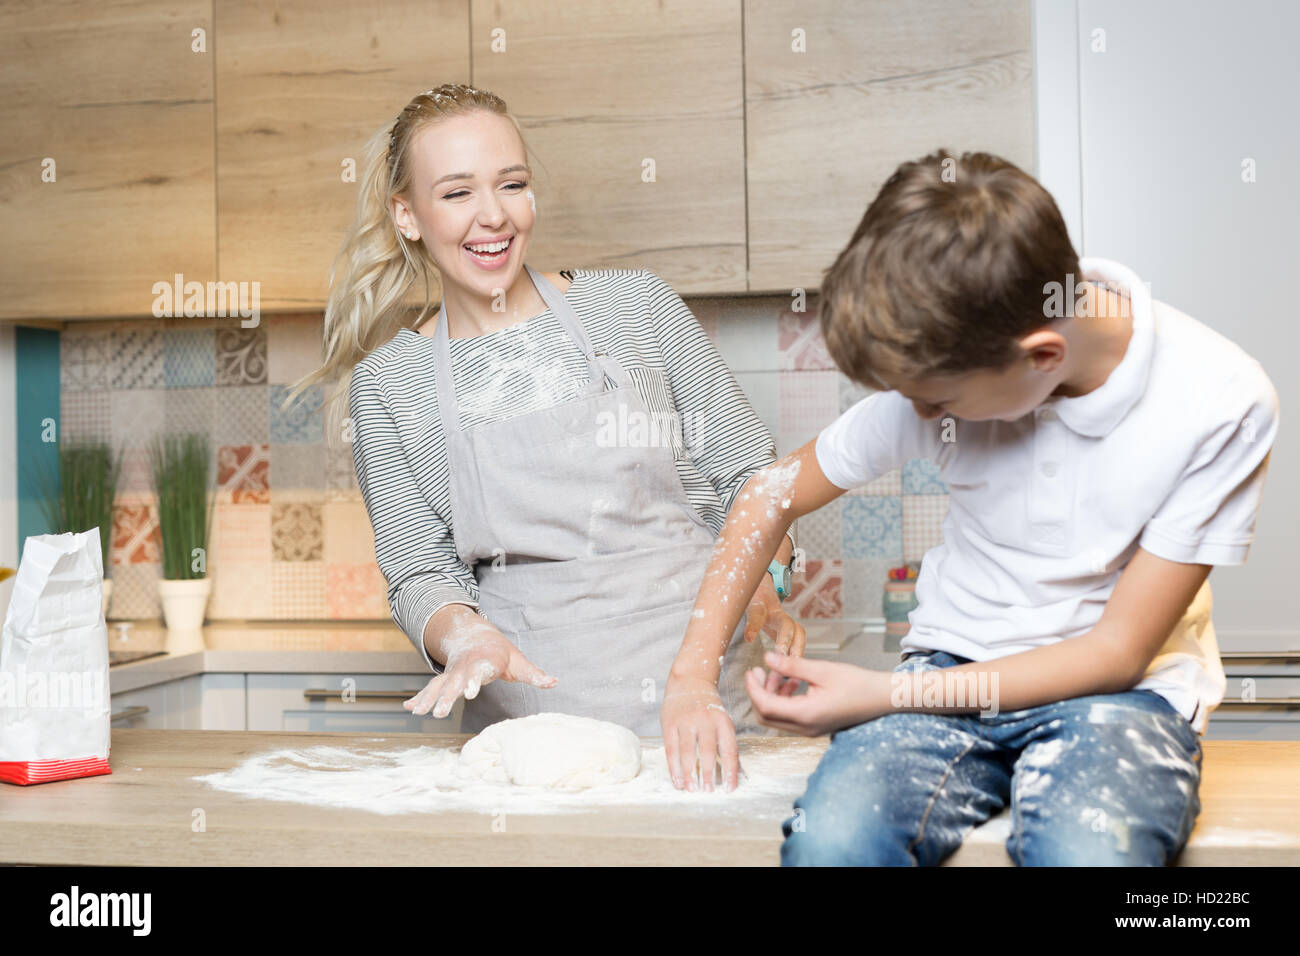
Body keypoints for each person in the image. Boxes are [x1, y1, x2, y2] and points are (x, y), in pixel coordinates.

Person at [677, 149, 1280, 861]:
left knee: (1090, 854)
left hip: (1120, 700)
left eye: (934, 403)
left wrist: (879, 694)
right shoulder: (950, 357)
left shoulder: (1222, 400)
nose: (915, 413)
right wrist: (691, 678)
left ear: (1043, 356)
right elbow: (770, 493)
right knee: (832, 845)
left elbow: (1116, 654)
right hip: (947, 662)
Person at [282, 83, 804, 756]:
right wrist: (465, 639)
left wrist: (767, 581)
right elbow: (419, 573)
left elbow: (754, 481)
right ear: (407, 215)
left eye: (512, 184)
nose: (493, 216)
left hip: (705, 701)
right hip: (534, 725)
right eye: (457, 193)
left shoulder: (636, 307)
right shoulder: (390, 383)